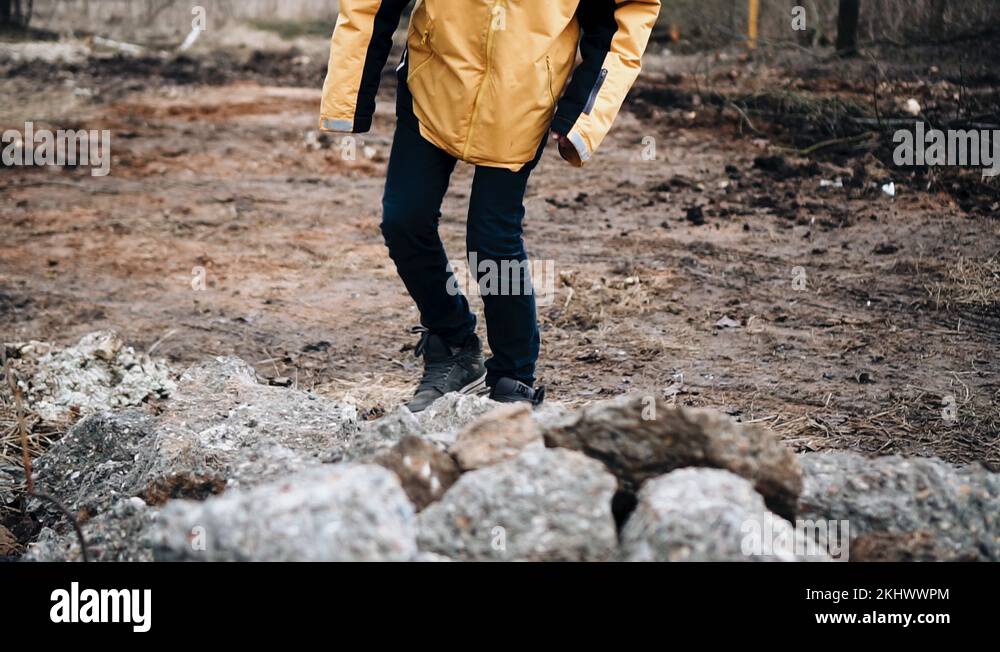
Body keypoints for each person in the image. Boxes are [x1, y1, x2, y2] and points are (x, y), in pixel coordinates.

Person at [320, 0, 660, 412]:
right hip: (434, 82)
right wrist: (347, 98)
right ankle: (453, 345)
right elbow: (369, 5)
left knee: (492, 240)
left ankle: (513, 377)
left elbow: (624, 22)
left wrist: (583, 116)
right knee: (403, 220)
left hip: (521, 102)